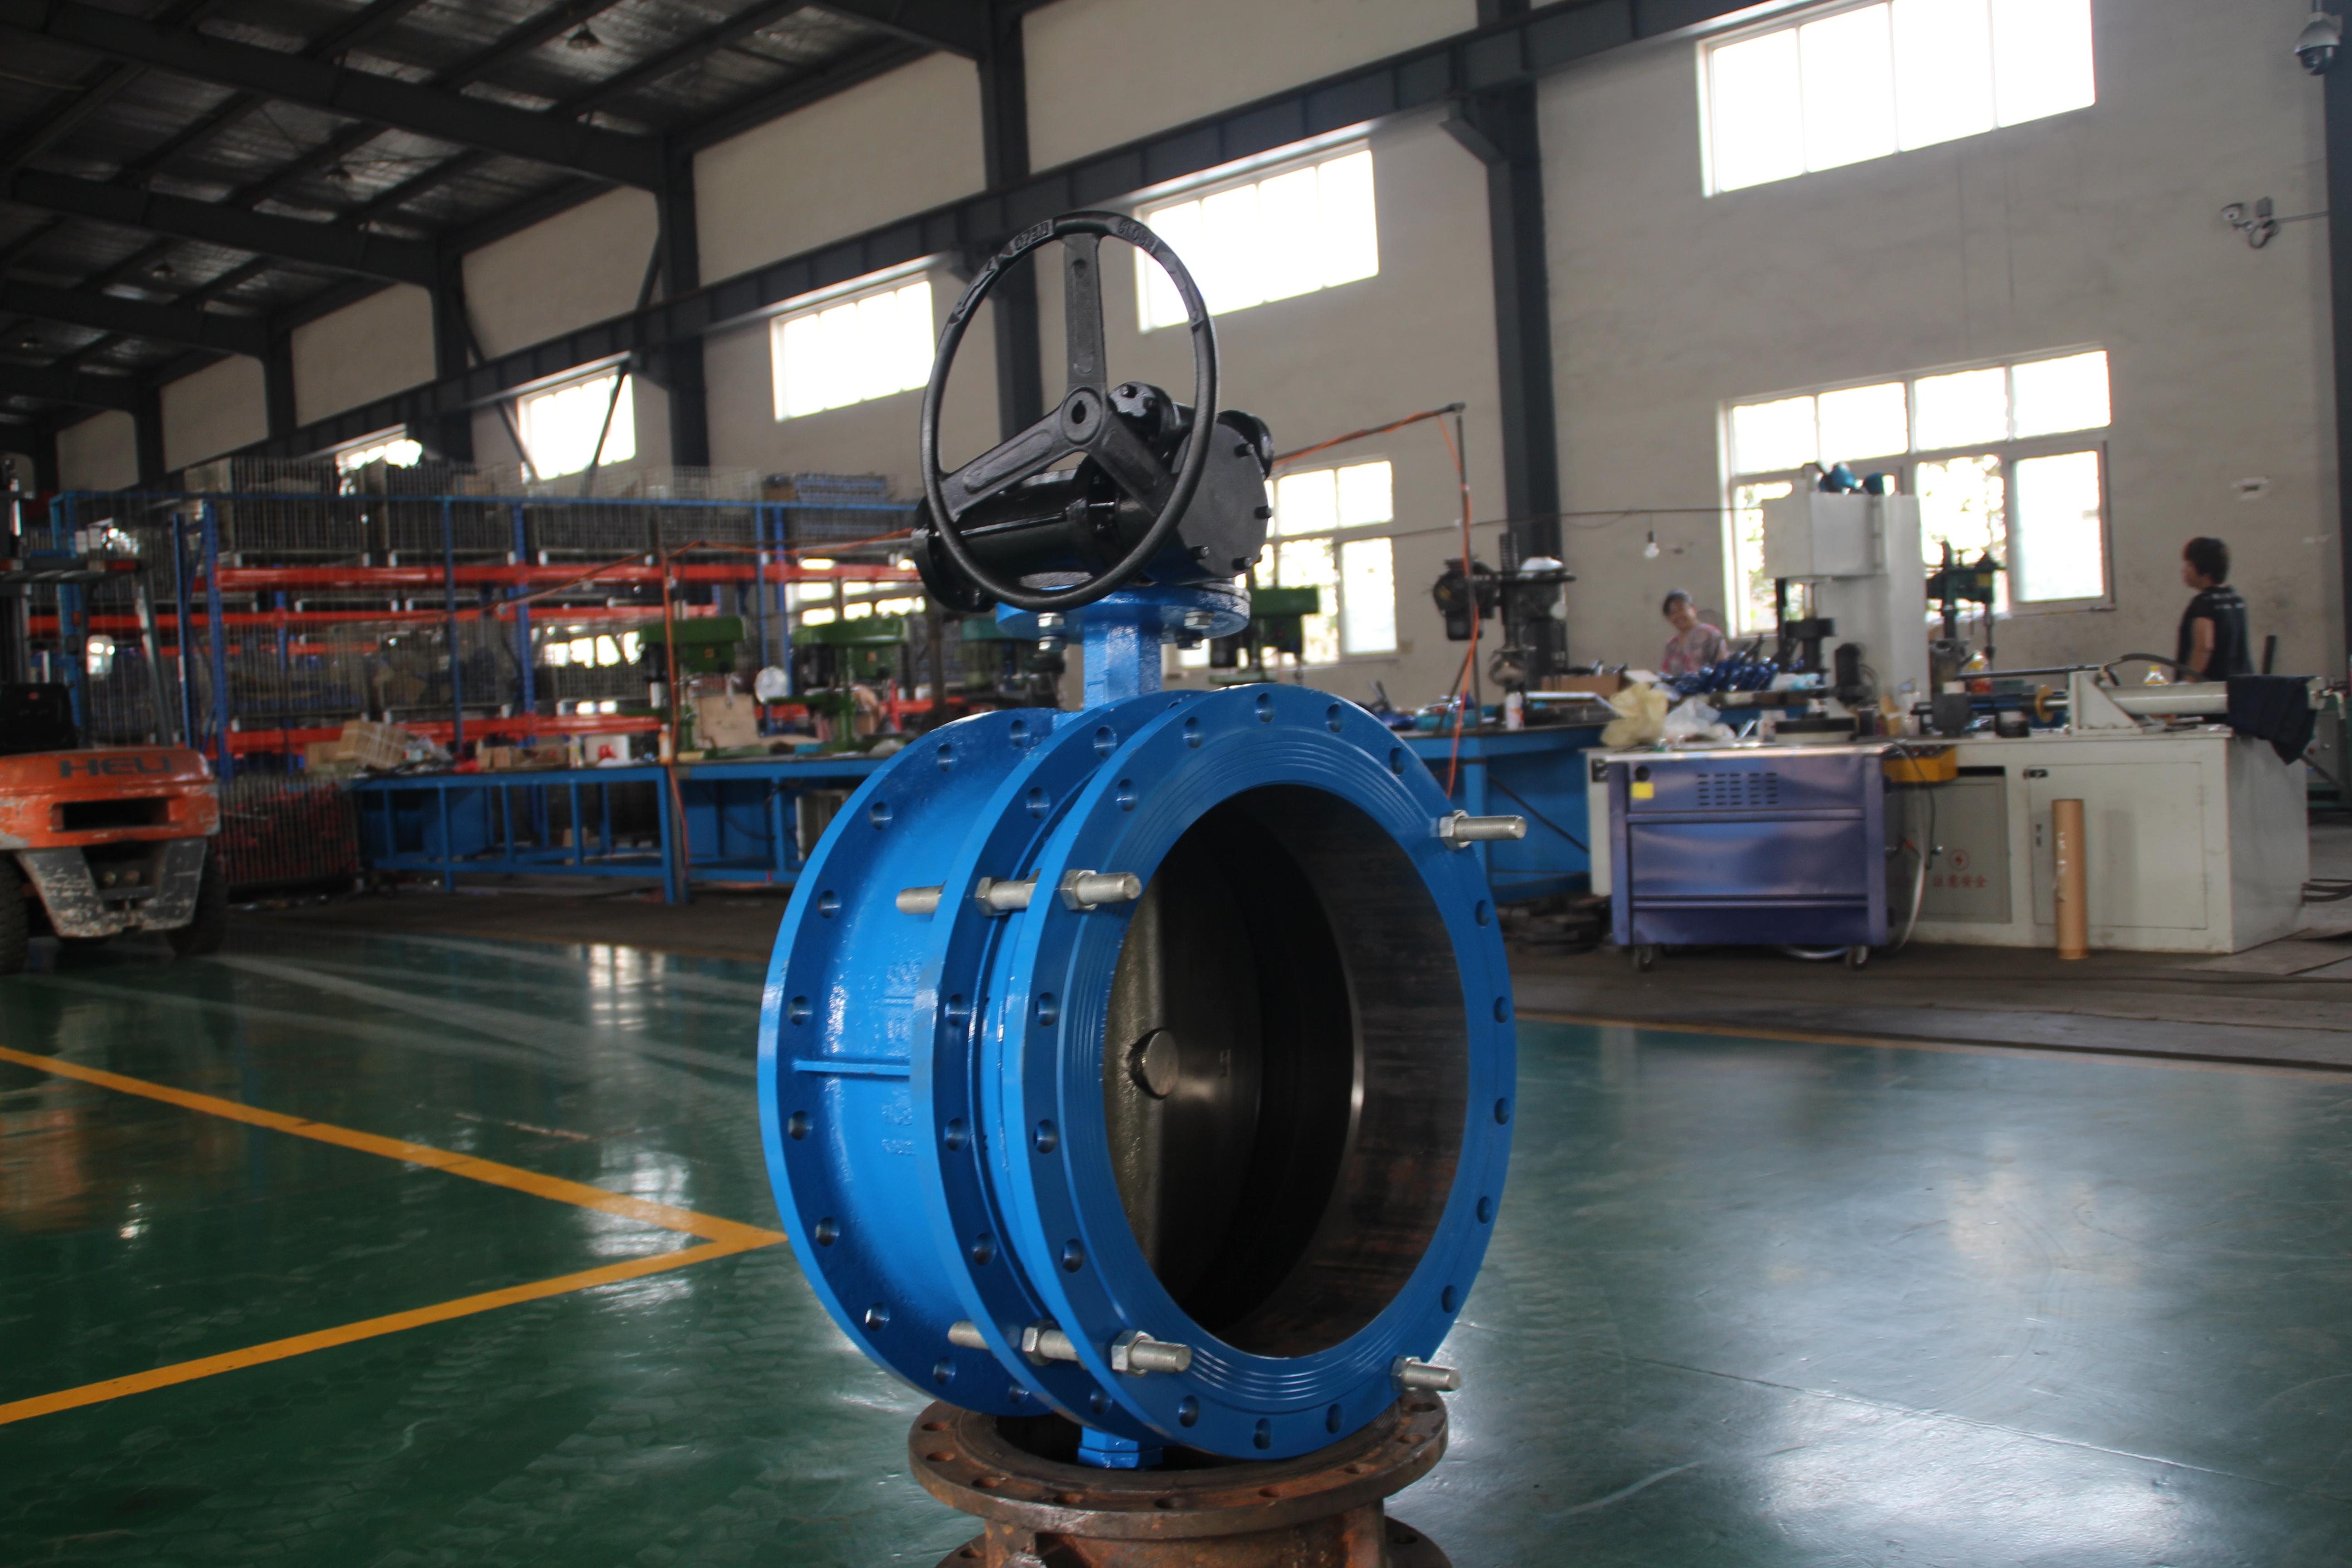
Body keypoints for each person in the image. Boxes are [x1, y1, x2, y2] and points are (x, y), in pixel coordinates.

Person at [2175, 537, 2252, 680]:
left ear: (2206, 572)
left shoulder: (2204, 603)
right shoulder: (2237, 599)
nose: (2184, 570)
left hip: (2213, 686)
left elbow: (2205, 646)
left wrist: (2188, 682)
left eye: (2190, 565)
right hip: (2243, 683)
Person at [1659, 590, 1728, 676]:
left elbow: (1723, 667)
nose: (1678, 615)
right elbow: (1666, 675)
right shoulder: (1671, 645)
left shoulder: (1710, 635)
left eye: (1681, 609)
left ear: (1693, 609)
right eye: (1673, 613)